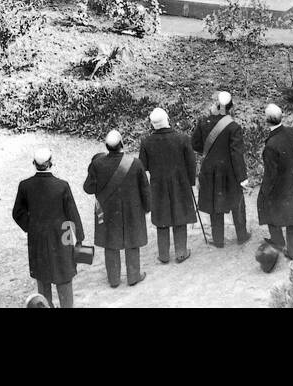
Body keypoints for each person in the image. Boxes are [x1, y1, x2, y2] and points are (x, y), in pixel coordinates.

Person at [13, 148, 85, 309]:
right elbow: (72, 214)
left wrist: (31, 227)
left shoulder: (25, 186)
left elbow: (17, 213)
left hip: (37, 238)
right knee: (64, 276)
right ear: (51, 162)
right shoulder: (62, 185)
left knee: (43, 278)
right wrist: (79, 238)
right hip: (62, 236)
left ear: (34, 164)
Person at [82, 129, 151, 288]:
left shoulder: (97, 164)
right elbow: (145, 189)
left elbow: (88, 188)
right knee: (132, 241)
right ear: (122, 144)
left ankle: (113, 280)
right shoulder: (135, 163)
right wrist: (147, 207)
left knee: (110, 243)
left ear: (106, 146)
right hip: (132, 209)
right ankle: (133, 276)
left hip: (107, 210)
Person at [190, 91, 250, 248]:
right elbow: (237, 154)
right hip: (230, 171)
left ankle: (218, 240)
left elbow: (195, 145)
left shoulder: (203, 123)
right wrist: (242, 177)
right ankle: (242, 235)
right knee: (237, 202)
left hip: (210, 170)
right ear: (229, 108)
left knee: (215, 204)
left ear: (217, 106)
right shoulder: (234, 126)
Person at [138, 107, 197, 264]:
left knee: (161, 217)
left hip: (158, 185)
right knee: (180, 216)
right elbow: (191, 163)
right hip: (180, 183)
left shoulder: (146, 142)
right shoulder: (182, 138)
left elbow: (143, 167)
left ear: (152, 124)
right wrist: (190, 182)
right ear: (167, 119)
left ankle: (163, 255)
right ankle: (181, 252)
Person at [257, 104, 293, 262]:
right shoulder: (292, 132)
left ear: (267, 120)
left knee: (267, 208)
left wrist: (264, 192)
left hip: (281, 185)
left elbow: (270, 174)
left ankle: (278, 242)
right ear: (282, 117)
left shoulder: (271, 145)